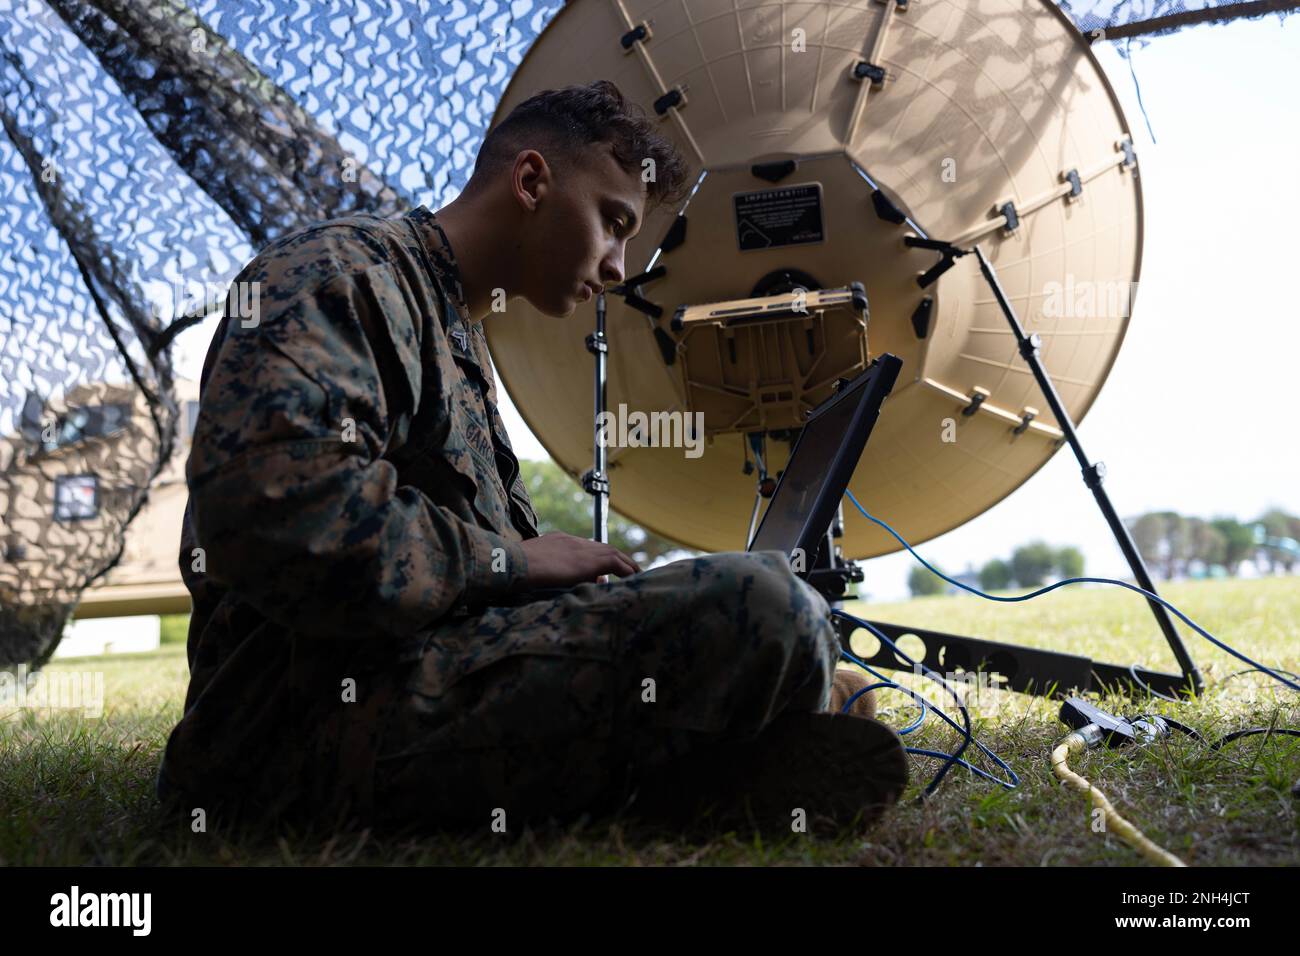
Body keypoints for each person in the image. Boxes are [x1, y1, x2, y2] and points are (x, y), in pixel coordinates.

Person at [156, 79, 906, 838]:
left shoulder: (458, 336)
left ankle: (721, 761)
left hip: (414, 682)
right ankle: (716, 775)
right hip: (288, 731)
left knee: (781, 621)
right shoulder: (343, 275)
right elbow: (278, 516)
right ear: (532, 181)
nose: (617, 267)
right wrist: (510, 562)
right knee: (765, 610)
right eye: (612, 223)